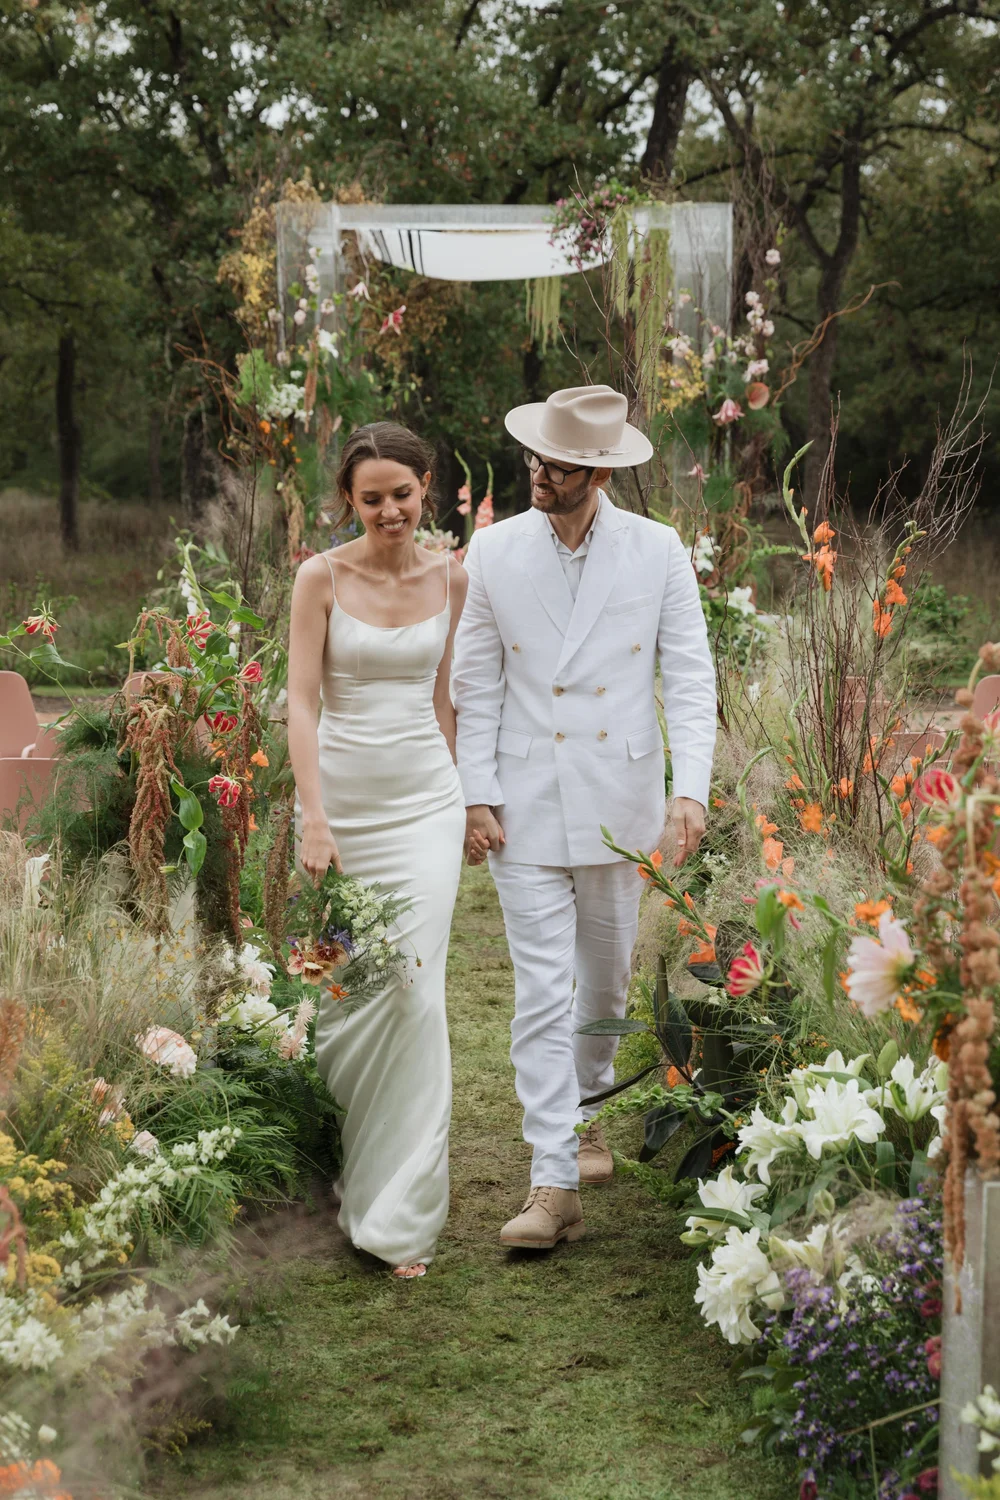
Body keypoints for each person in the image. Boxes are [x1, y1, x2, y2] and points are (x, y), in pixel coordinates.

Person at [453, 385, 717, 1251]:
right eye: (534, 458)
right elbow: (476, 681)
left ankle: (589, 1100)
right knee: (541, 991)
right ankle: (552, 1178)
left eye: (558, 466)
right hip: (525, 800)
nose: (539, 475)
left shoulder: (658, 551)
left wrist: (691, 788)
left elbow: (688, 674)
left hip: (619, 797)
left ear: (598, 470)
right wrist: (476, 792)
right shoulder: (491, 553)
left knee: (602, 987)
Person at [287, 421, 468, 1280]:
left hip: (426, 804)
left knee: (415, 994)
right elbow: (301, 705)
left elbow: (445, 700)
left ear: (426, 486)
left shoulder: (452, 577)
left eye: (402, 493)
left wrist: (468, 799)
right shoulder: (318, 578)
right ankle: (336, 1162)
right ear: (347, 503)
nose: (389, 510)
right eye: (371, 499)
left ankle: (398, 1214)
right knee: (338, 987)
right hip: (342, 808)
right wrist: (313, 816)